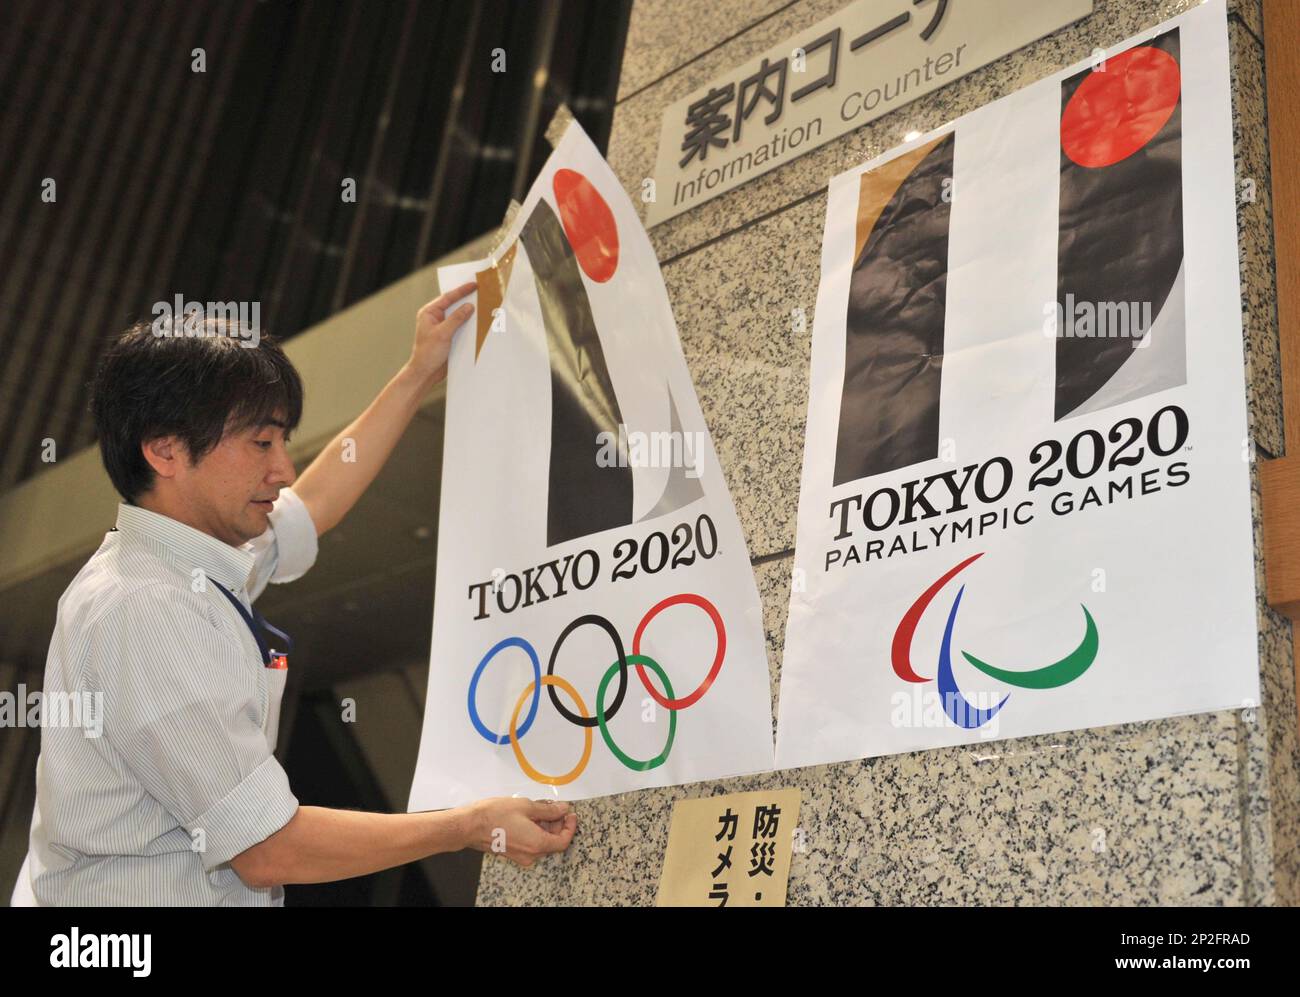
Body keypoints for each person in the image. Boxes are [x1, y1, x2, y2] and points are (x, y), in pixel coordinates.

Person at [10, 281, 576, 906]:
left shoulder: (190, 563)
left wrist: (419, 372)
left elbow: (317, 502)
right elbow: (266, 848)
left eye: (282, 440)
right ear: (165, 450)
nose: (282, 468)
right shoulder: (144, 603)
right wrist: (467, 825)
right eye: (261, 442)